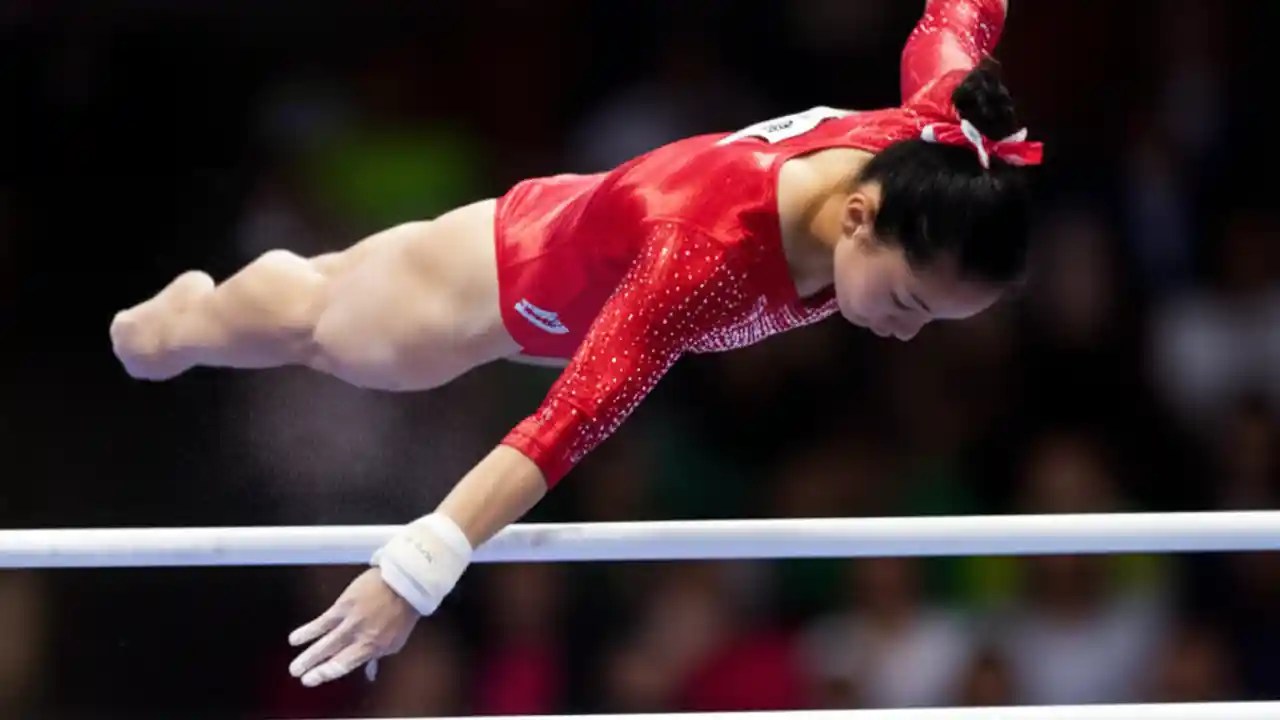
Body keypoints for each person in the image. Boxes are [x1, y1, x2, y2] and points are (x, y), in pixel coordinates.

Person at [109, 0, 1042, 687]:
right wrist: (413, 573)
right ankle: (184, 315)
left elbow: (958, 15)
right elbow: (569, 424)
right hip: (513, 281)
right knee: (330, 335)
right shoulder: (709, 254)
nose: (906, 333)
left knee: (347, 335)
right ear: (857, 214)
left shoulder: (946, 137)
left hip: (600, 270)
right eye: (910, 302)